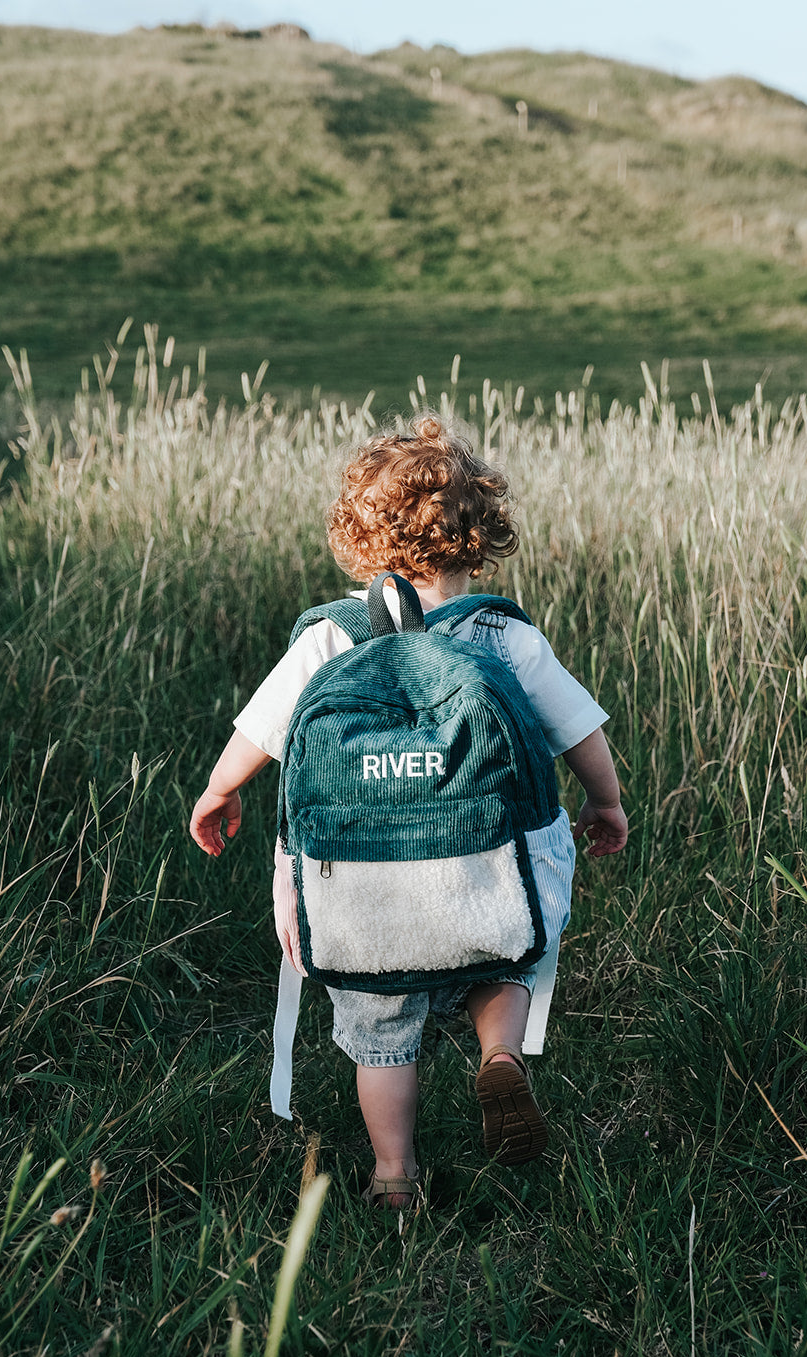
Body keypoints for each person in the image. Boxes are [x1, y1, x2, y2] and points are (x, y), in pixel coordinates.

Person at [190, 416, 628, 1208]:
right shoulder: (500, 635)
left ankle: (395, 1174)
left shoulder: (330, 638)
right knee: (504, 956)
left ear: (357, 539)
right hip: (484, 870)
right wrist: (606, 803)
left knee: (381, 1028)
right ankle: (499, 1054)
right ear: (480, 538)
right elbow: (579, 732)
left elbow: (257, 733)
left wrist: (219, 793)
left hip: (361, 890)